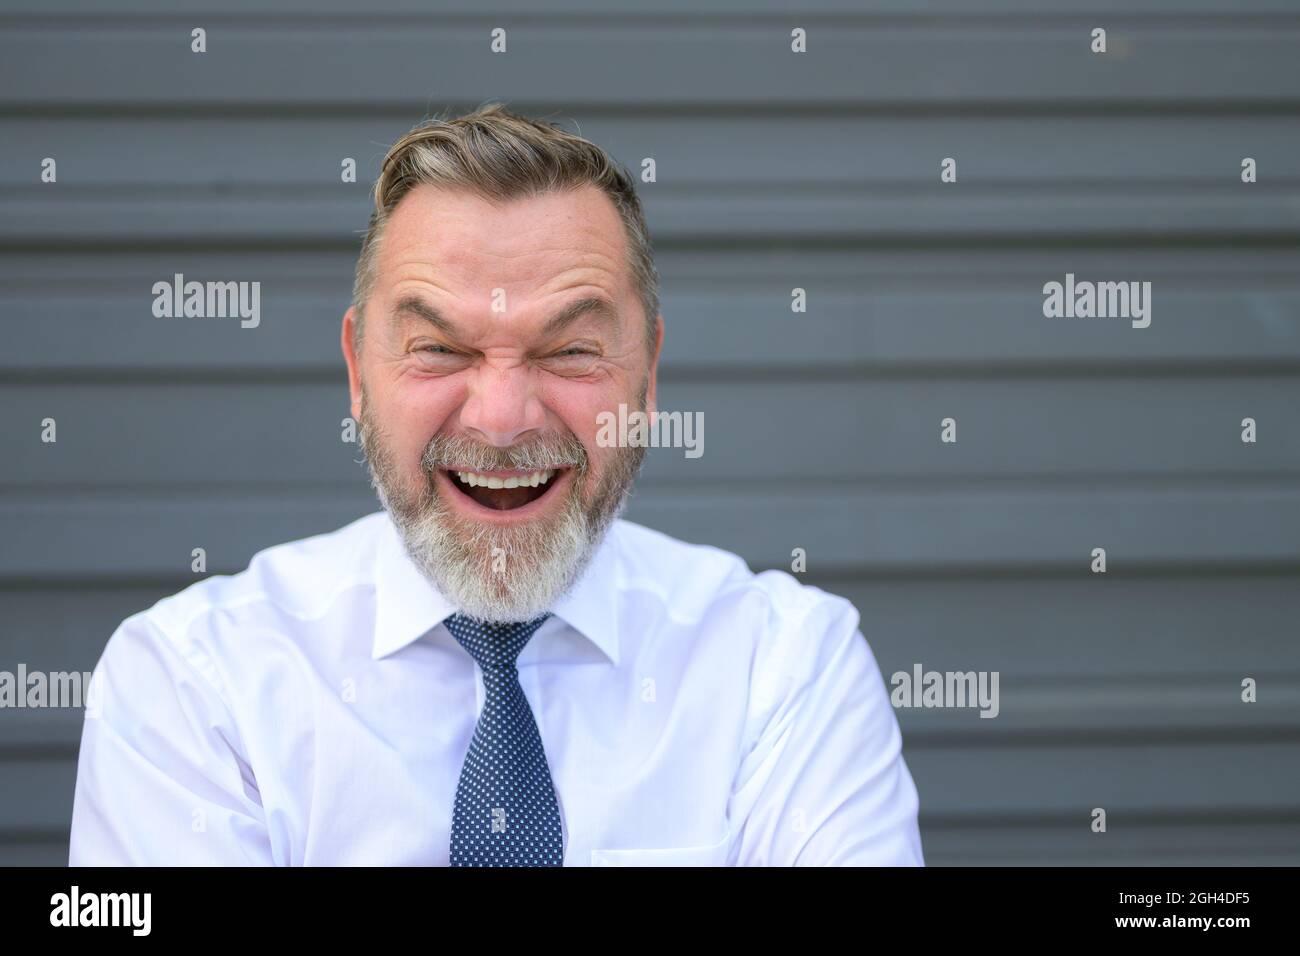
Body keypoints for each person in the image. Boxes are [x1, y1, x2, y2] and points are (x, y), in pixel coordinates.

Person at [68, 103, 923, 866]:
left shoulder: (786, 668)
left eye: (571, 350)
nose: (503, 419)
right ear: (358, 376)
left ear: (649, 375)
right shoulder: (192, 687)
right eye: (440, 349)